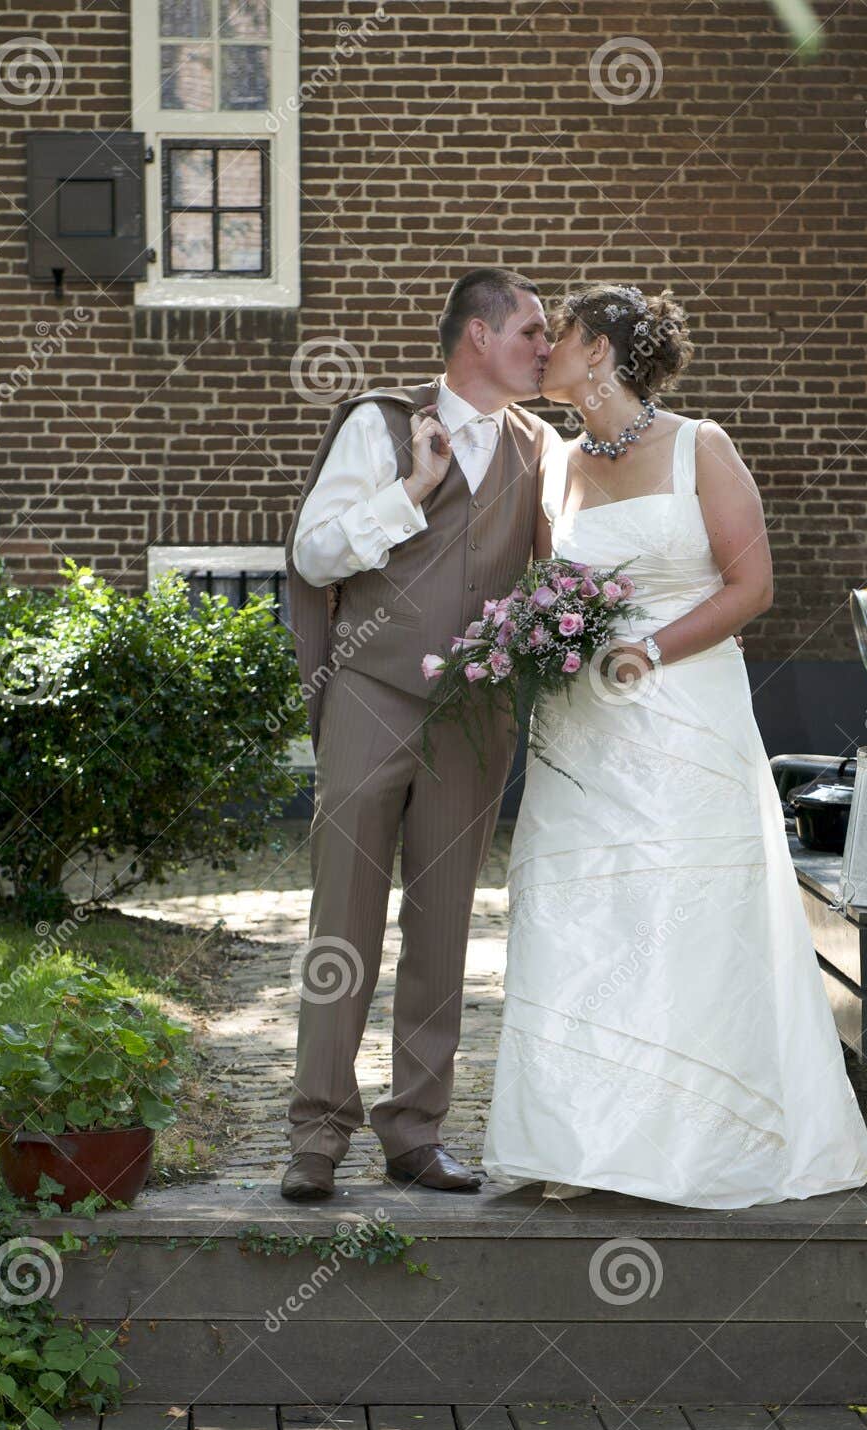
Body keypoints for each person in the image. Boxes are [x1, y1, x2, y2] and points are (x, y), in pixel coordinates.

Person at [481, 282, 867, 1207]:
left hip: (685, 706)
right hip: (582, 725)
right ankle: (581, 1140)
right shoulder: (556, 463)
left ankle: (695, 1137)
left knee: (688, 906)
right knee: (580, 909)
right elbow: (550, 586)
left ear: (605, 352)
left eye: (562, 336)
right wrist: (541, 639)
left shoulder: (703, 445)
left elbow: (752, 585)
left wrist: (649, 649)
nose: (545, 352)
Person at [280, 268, 559, 1201]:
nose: (545, 348)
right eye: (531, 331)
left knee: (443, 929)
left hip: (476, 714)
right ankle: (316, 1134)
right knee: (342, 923)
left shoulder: (540, 443)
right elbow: (314, 553)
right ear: (477, 336)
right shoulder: (381, 424)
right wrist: (414, 487)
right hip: (372, 692)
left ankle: (416, 1132)